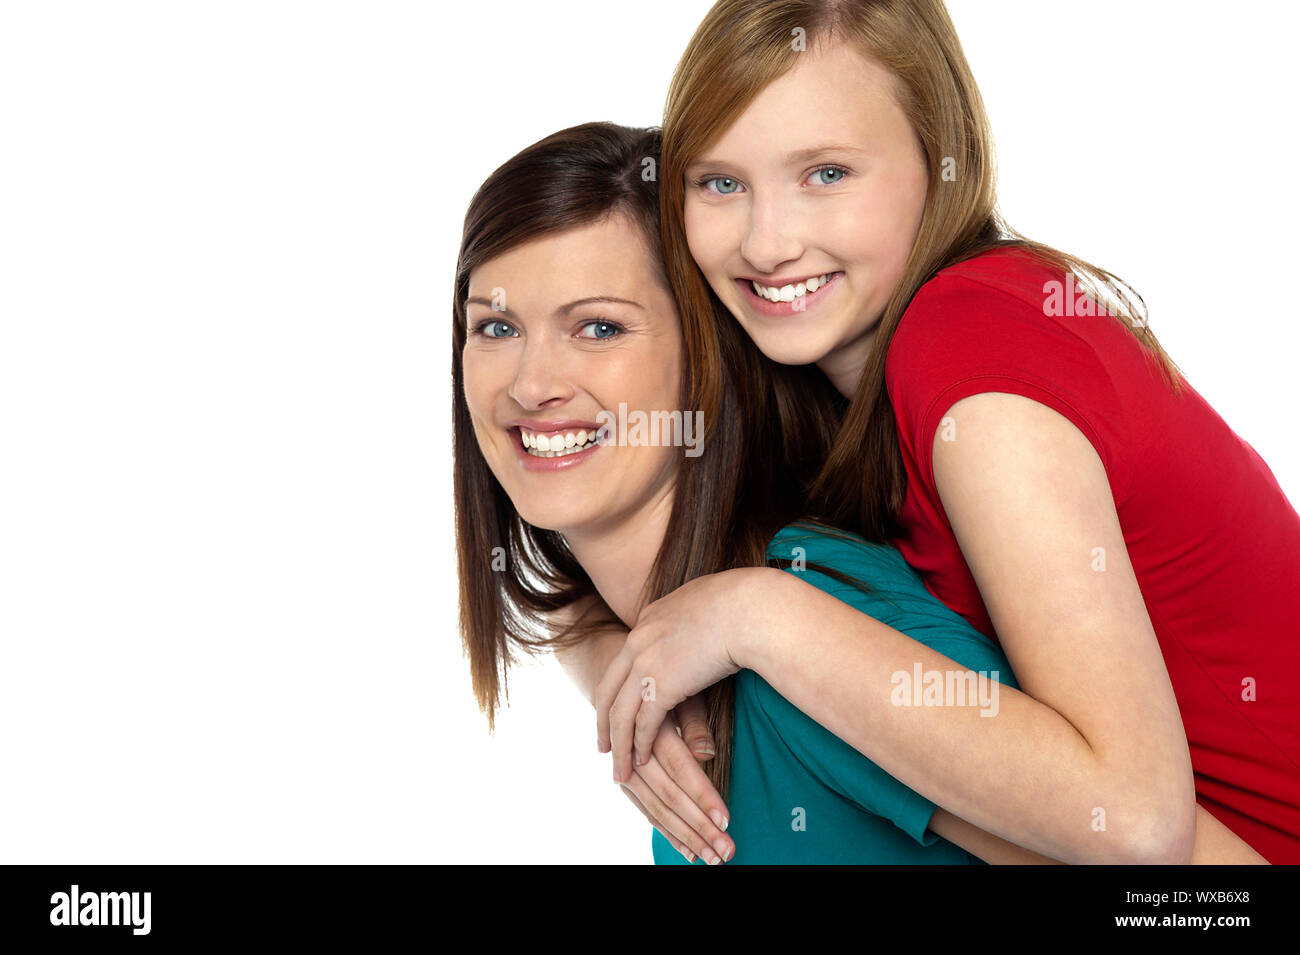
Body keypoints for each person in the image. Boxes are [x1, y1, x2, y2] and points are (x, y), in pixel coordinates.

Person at [586, 0, 1296, 863]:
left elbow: (1138, 826)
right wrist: (628, 676)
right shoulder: (828, 380)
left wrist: (755, 614)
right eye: (721, 183)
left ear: (939, 161)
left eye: (827, 174)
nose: (768, 243)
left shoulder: (963, 347)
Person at [453, 121, 1066, 864]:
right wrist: (609, 656)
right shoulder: (674, 648)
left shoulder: (813, 639)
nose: (530, 385)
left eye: (599, 327)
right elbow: (556, 602)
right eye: (495, 327)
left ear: (706, 357)